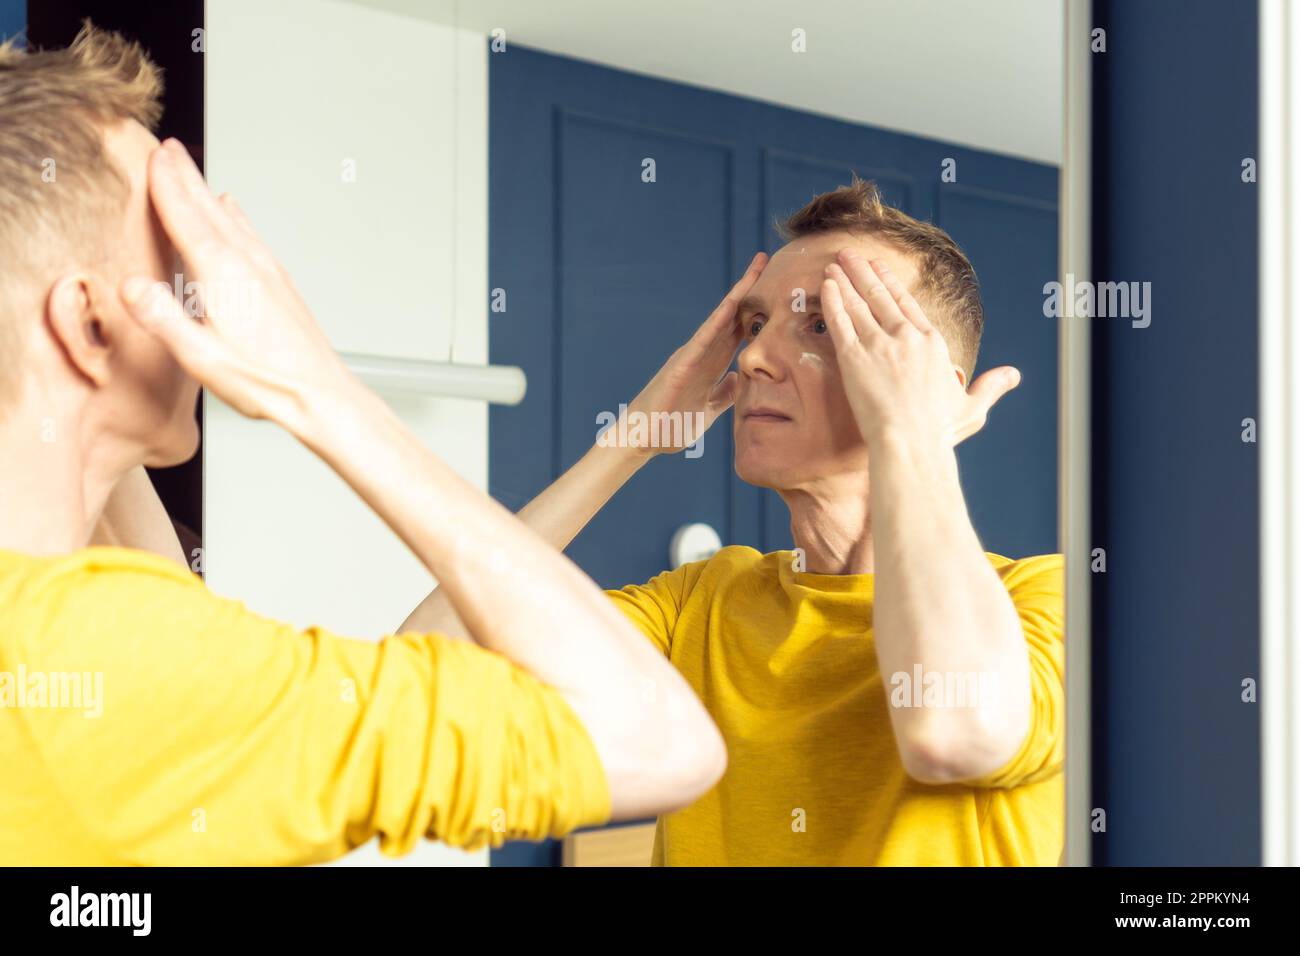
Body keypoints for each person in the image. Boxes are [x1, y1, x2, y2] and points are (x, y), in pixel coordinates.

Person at [0, 24, 725, 866]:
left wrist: (633, 438)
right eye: (181, 259)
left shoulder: (114, 639)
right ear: (90, 322)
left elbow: (398, 664)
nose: (217, 294)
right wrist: (319, 386)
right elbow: (660, 741)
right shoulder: (123, 660)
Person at [403, 180, 1066, 866]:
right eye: (754, 326)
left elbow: (950, 734)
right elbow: (431, 674)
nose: (750, 358)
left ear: (932, 388)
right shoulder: (702, 606)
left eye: (822, 324)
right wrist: (628, 442)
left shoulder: (1046, 605)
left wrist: (912, 436)